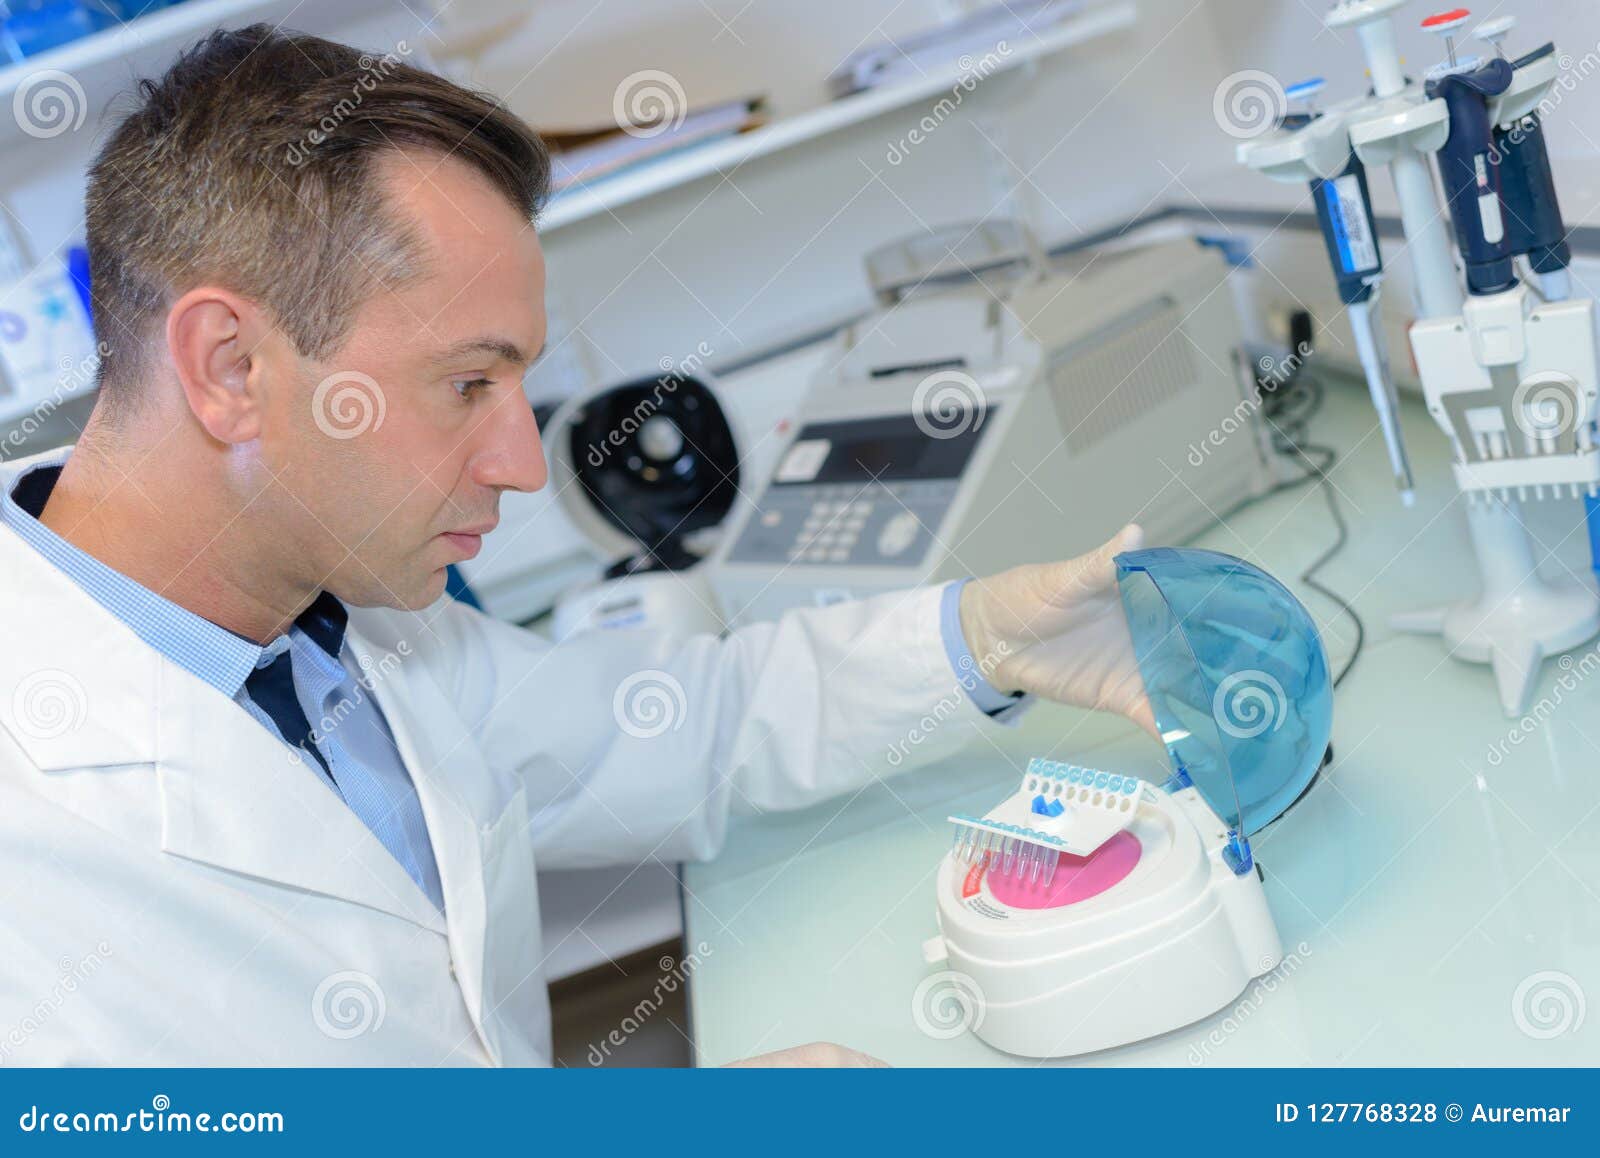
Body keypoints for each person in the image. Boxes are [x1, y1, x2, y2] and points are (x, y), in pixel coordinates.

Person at [0, 25, 1154, 1067]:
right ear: (230, 368)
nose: (521, 461)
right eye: (466, 381)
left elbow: (678, 727)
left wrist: (987, 635)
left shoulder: (345, 638)